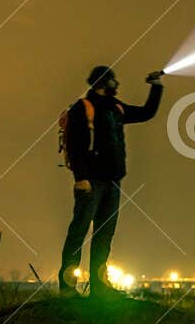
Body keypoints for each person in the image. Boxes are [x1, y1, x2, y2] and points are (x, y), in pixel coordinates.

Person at [58, 65, 164, 295]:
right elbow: (75, 146)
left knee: (104, 233)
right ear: (101, 83)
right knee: (79, 231)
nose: (117, 83)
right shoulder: (82, 108)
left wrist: (156, 87)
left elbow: (146, 113)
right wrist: (81, 178)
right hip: (90, 182)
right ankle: (67, 287)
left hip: (112, 181)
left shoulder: (115, 108)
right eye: (113, 80)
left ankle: (99, 286)